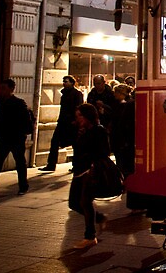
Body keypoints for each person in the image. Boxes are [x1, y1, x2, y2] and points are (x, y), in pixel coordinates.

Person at [0, 79, 33, 197]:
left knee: (20, 162)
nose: (1, 91)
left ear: (11, 89)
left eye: (4, 88)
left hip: (16, 138)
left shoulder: (19, 103)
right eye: (0, 88)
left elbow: (26, 121)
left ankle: (23, 186)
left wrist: (22, 132)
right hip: (3, 138)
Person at [70, 103, 110, 249]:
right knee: (73, 203)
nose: (78, 118)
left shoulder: (99, 130)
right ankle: (99, 217)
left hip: (91, 171)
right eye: (77, 116)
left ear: (88, 116)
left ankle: (90, 236)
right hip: (79, 170)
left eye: (80, 115)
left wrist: (91, 160)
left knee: (86, 202)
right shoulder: (82, 130)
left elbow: (104, 151)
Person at [40, 75, 83, 171]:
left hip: (72, 123)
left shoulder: (77, 94)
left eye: (66, 81)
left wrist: (75, 120)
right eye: (63, 81)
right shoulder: (64, 94)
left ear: (72, 83)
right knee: (54, 142)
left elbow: (78, 107)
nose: (64, 83)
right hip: (62, 122)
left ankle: (76, 165)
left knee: (75, 144)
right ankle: (51, 164)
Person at [111, 83, 135, 176]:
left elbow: (122, 122)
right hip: (122, 137)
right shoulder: (122, 104)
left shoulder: (126, 105)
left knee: (123, 161)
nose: (114, 95)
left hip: (123, 138)